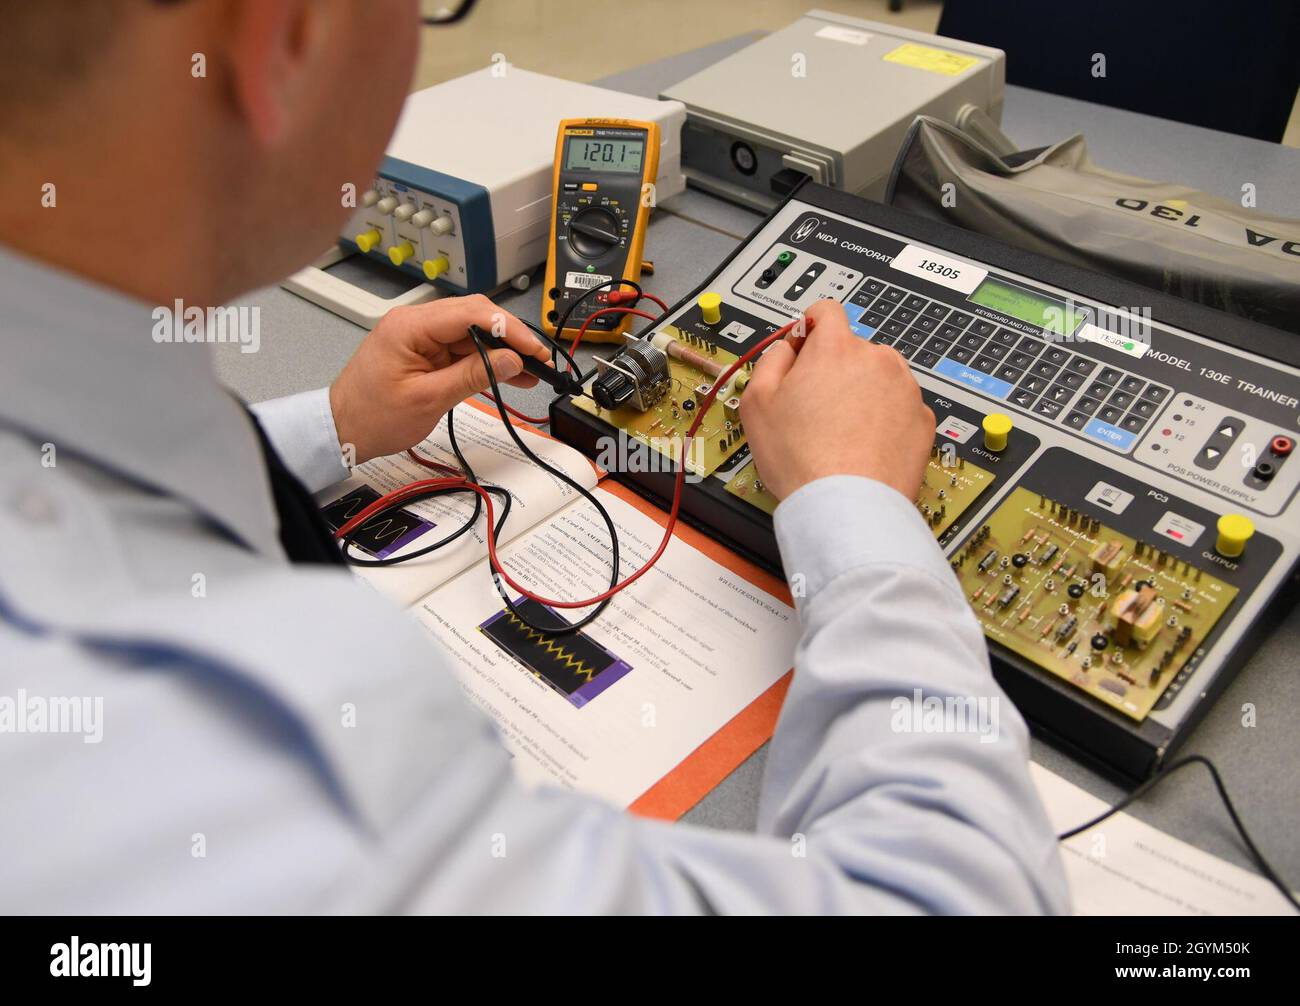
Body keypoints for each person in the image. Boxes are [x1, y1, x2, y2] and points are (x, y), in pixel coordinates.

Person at [0, 0, 1068, 913]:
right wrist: (855, 507)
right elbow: (953, 895)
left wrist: (330, 423)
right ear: (280, 43)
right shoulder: (278, 776)